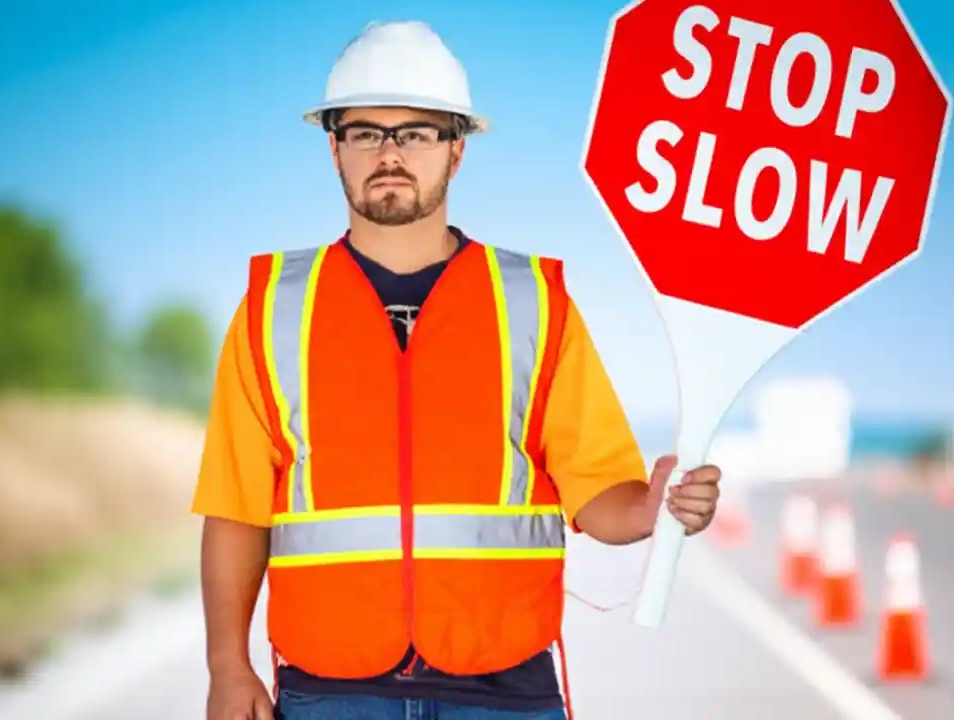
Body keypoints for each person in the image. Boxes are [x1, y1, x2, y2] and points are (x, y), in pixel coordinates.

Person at [190, 19, 722, 720]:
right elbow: (236, 512)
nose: (389, 153)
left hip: (503, 693)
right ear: (334, 148)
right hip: (331, 695)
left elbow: (597, 495)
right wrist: (228, 667)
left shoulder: (535, 303)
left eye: (414, 133)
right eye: (365, 132)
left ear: (456, 150)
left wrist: (654, 510)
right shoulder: (270, 311)